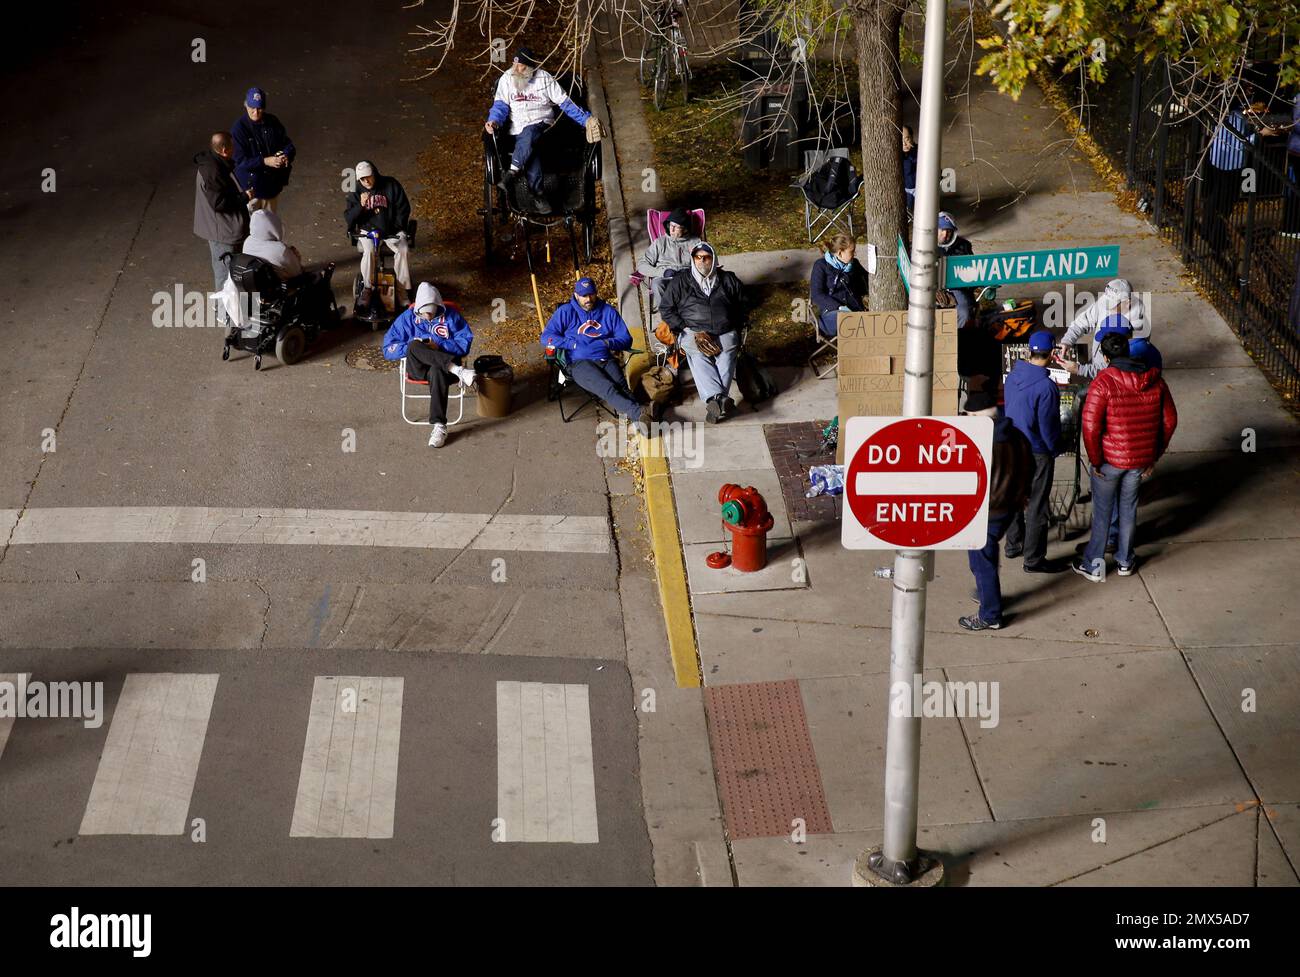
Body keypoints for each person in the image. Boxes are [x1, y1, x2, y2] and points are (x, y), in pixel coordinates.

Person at [1073, 332, 1178, 581]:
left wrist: (1096, 460)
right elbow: (1170, 421)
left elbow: (1091, 426)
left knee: (1103, 512)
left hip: (1109, 461)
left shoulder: (1103, 382)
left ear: (1106, 356)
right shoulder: (1156, 381)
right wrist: (1153, 456)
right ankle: (1125, 561)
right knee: (1128, 509)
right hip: (1138, 462)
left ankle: (1094, 565)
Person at [484, 47, 600, 215]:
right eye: (515, 65)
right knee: (531, 147)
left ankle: (512, 172)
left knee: (531, 133)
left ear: (531, 68)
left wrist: (586, 119)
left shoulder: (544, 79)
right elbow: (500, 106)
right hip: (518, 131)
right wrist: (493, 121)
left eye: (521, 66)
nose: (516, 69)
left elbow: (566, 104)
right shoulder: (507, 79)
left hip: (544, 127)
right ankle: (537, 194)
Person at [959, 385, 1035, 631]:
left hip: (985, 513)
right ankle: (986, 593)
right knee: (983, 558)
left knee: (983, 562)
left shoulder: (979, 445)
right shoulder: (1017, 436)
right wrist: (1022, 496)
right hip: (1009, 508)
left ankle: (990, 615)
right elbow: (1030, 468)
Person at [541, 277, 656, 429]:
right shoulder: (566, 312)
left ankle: (644, 422)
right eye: (584, 296)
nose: (588, 299)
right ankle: (641, 413)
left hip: (605, 358)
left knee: (621, 387)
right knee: (607, 387)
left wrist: (608, 342)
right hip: (578, 362)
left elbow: (626, 339)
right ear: (576, 295)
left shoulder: (607, 311)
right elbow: (546, 336)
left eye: (591, 294)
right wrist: (572, 343)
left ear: (596, 293)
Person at [660, 242, 747, 423]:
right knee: (698, 354)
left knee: (727, 352)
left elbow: (743, 304)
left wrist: (733, 325)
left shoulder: (728, 279)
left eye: (706, 257)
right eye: (698, 257)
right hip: (691, 330)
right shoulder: (680, 282)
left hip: (724, 330)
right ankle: (720, 398)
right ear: (693, 259)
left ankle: (716, 401)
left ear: (713, 259)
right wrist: (687, 329)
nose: (702, 261)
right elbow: (666, 309)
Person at [382, 283, 476, 448]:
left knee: (437, 370)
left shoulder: (451, 316)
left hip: (441, 372)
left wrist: (438, 345)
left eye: (433, 313)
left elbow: (465, 342)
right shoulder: (407, 318)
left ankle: (439, 426)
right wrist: (417, 346)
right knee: (414, 345)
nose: (429, 317)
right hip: (418, 369)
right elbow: (388, 349)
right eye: (425, 314)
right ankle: (459, 371)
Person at [1002, 331, 1064, 573]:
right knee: (1037, 504)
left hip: (1012, 446)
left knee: (1016, 498)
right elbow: (1048, 427)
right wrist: (1054, 449)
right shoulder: (1046, 387)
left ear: (1029, 352)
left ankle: (1013, 544)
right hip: (1036, 451)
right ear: (1050, 355)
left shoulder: (1013, 376)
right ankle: (1034, 559)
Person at [344, 159, 413, 309]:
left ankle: (402, 291)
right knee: (368, 252)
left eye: (368, 176)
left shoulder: (391, 185)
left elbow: (404, 208)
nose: (366, 181)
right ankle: (367, 289)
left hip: (391, 230)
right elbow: (349, 218)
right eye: (362, 179)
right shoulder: (356, 191)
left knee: (403, 250)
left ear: (374, 173)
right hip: (369, 231)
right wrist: (360, 206)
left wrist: (395, 227)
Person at [193, 131, 249, 304]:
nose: (234, 150)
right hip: (222, 233)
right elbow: (220, 204)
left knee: (232, 272)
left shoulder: (214, 163)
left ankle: (234, 308)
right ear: (224, 150)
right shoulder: (213, 171)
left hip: (225, 229)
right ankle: (226, 315)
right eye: (232, 147)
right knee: (224, 275)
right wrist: (244, 197)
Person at [1056, 279, 1150, 381]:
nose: (1106, 307)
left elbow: (1118, 369)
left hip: (1114, 381)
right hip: (1097, 364)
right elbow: (1081, 323)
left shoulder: (1136, 330)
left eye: (1112, 305)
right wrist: (1067, 341)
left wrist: (1080, 369)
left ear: (1127, 303)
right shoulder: (1106, 301)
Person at [232, 87, 295, 212]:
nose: (256, 112)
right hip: (251, 191)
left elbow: (288, 145)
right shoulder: (238, 129)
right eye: (252, 108)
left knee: (269, 228)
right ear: (246, 106)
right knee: (251, 230)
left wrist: (286, 155)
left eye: (259, 108)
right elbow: (240, 162)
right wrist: (265, 161)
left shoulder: (272, 122)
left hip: (270, 188)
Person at [635, 207, 702, 305]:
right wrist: (662, 272)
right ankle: (668, 317)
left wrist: (697, 258)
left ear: (685, 229)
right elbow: (642, 265)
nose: (672, 229)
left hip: (687, 278)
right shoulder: (660, 243)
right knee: (657, 285)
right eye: (671, 225)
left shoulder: (695, 242)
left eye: (676, 226)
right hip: (664, 278)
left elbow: (706, 264)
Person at [809, 231, 868, 338]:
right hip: (830, 312)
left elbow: (866, 286)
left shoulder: (854, 264)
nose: (854, 254)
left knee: (865, 321)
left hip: (856, 311)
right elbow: (817, 294)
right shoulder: (821, 266)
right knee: (850, 321)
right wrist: (839, 307)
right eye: (852, 251)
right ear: (840, 252)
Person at [937, 211, 977, 329]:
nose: (945, 235)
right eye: (941, 230)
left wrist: (983, 282)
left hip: (956, 286)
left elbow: (973, 269)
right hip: (932, 286)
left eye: (948, 231)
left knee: (964, 312)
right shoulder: (924, 244)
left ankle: (956, 338)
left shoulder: (964, 245)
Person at [901, 126, 918, 216]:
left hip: (921, 189)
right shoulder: (898, 154)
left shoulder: (921, 151)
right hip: (906, 190)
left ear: (912, 137)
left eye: (907, 139)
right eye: (901, 140)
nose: (904, 143)